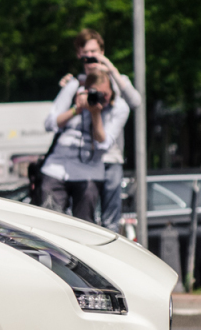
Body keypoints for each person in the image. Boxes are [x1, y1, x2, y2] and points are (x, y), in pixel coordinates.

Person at [57, 29, 141, 231]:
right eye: (86, 54)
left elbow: (136, 102)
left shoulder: (116, 82)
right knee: (84, 220)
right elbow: (58, 119)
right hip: (84, 159)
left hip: (110, 158)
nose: (91, 58)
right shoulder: (76, 84)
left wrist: (110, 68)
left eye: (95, 53)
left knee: (111, 221)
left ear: (102, 52)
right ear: (79, 55)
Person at [40, 70, 125, 222]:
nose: (101, 98)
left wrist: (95, 114)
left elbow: (103, 143)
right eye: (95, 93)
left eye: (105, 94)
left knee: (84, 225)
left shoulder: (119, 107)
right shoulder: (74, 91)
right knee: (48, 221)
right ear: (86, 90)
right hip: (57, 167)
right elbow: (49, 124)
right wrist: (75, 110)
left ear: (112, 90)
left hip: (88, 172)